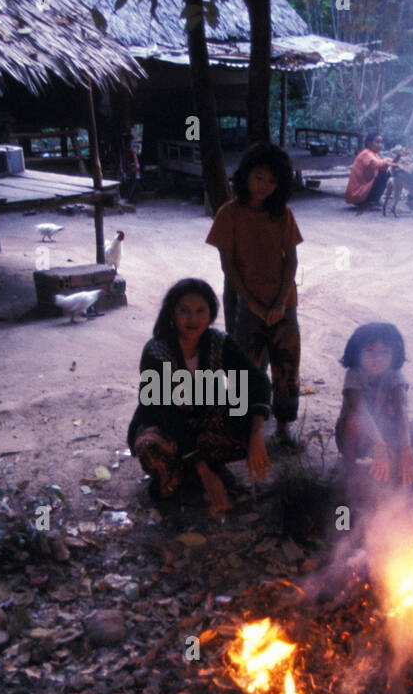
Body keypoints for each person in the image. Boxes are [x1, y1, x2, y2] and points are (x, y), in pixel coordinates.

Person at [127, 279, 273, 518]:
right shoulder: (156, 352)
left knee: (244, 413)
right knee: (151, 448)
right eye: (184, 310)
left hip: (204, 421)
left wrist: (256, 433)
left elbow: (259, 382)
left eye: (200, 311)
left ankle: (205, 467)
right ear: (172, 314)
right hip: (167, 425)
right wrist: (203, 471)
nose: (192, 318)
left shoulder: (220, 343)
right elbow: (164, 414)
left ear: (210, 314)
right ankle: (187, 471)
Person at [206, 143, 305, 449]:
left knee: (286, 366)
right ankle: (247, 430)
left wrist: (279, 303)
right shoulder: (229, 214)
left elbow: (292, 260)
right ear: (246, 175)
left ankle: (283, 426)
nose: (264, 186)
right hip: (246, 303)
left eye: (272, 181)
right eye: (259, 177)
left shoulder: (282, 214)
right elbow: (228, 265)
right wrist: (250, 302)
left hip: (283, 304)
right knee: (246, 368)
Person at [335, 323, 413, 487]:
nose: (377, 359)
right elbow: (359, 410)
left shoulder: (395, 375)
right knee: (353, 420)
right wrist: (379, 444)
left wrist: (406, 449)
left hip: (386, 433)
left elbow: (402, 411)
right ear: (357, 353)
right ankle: (350, 470)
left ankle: (399, 471)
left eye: (385, 352)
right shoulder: (354, 374)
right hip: (357, 438)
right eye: (369, 351)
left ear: (394, 355)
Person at [345, 133, 395, 211]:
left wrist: (398, 157)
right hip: (357, 193)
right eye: (377, 142)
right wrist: (389, 162)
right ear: (369, 143)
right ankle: (370, 202)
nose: (380, 145)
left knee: (385, 172)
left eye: (381, 142)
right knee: (384, 174)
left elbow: (383, 164)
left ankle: (372, 200)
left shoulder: (374, 154)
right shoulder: (366, 153)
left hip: (362, 189)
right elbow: (378, 164)